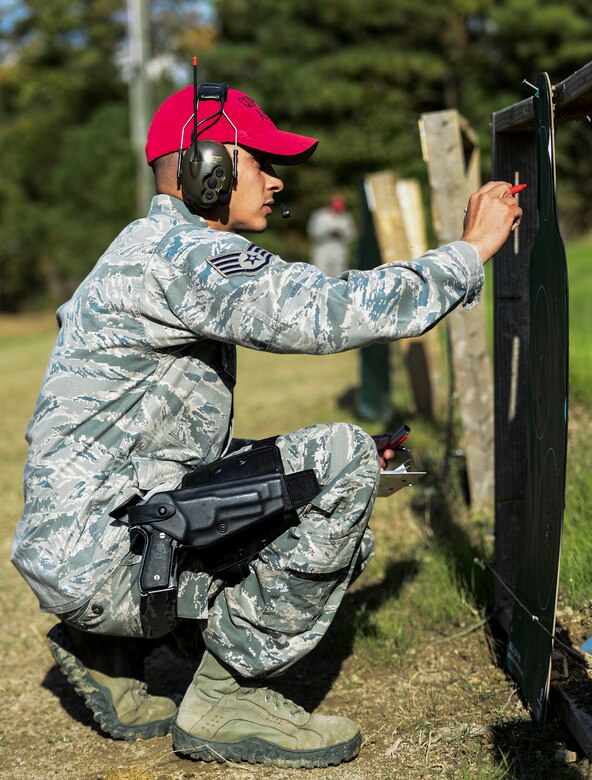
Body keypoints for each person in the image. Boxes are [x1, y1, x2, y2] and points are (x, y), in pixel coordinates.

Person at [11, 78, 522, 769]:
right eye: (261, 163)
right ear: (208, 170)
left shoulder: (148, 246)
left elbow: (165, 457)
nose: (276, 183)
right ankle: (227, 699)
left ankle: (107, 646)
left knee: (325, 510)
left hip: (90, 541)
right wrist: (468, 252)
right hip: (103, 555)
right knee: (336, 465)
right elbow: (326, 311)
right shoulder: (182, 254)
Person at [307, 192, 356, 276]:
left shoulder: (346, 217)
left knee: (339, 274)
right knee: (320, 273)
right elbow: (312, 232)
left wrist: (341, 232)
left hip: (339, 249)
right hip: (323, 247)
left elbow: (351, 235)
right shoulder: (320, 215)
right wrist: (328, 231)